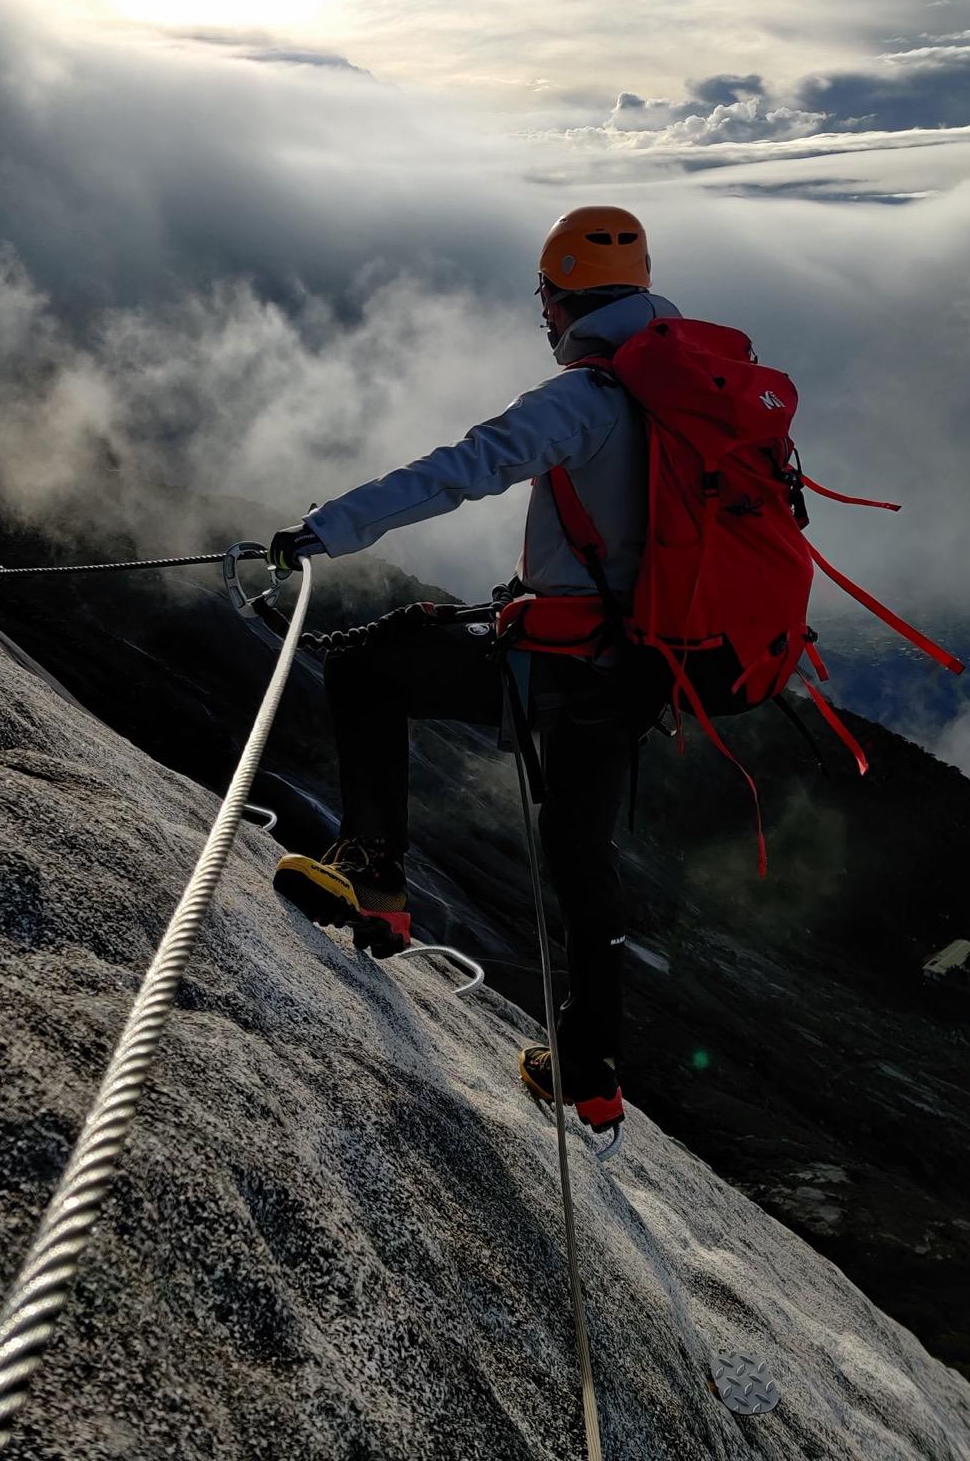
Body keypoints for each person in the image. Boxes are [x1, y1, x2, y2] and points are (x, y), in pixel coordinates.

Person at [268, 207, 676, 1138]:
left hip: (562, 660)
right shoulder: (692, 394)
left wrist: (328, 528)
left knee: (367, 669)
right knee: (581, 854)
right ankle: (590, 1072)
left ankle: (375, 889)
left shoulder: (586, 397)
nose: (544, 316)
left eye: (545, 298)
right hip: (643, 670)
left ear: (559, 297)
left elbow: (467, 466)